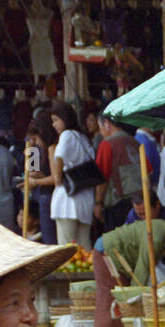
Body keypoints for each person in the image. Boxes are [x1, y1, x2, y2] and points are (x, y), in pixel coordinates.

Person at [49, 101, 98, 249]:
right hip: (85, 199)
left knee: (67, 249)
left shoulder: (66, 136)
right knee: (85, 248)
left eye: (56, 120)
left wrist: (57, 180)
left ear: (65, 118)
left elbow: (58, 159)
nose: (54, 125)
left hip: (67, 200)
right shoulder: (83, 137)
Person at [93, 113, 142, 233]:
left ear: (107, 124)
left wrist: (98, 203)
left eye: (100, 128)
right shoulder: (134, 142)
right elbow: (148, 170)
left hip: (117, 203)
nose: (101, 133)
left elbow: (101, 178)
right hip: (138, 201)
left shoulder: (107, 144)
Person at [25, 120, 57, 245]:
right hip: (41, 193)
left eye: (35, 138)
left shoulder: (50, 147)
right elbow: (32, 171)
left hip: (47, 194)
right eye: (30, 138)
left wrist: (35, 181)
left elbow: (54, 176)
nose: (34, 142)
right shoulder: (34, 149)